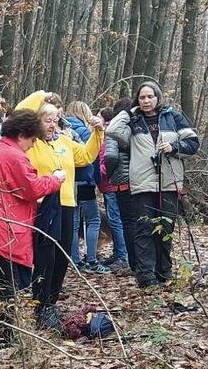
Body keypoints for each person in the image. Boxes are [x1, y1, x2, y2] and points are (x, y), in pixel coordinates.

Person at [0, 109, 63, 348]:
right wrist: (55, 180)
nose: (32, 145)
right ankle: (2, 341)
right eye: (32, 139)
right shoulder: (13, 156)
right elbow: (31, 188)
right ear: (21, 135)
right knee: (3, 288)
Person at [14, 92, 104, 330]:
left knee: (63, 255)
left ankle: (51, 302)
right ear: (37, 121)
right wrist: (43, 95)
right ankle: (41, 303)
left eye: (55, 120)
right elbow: (19, 110)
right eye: (47, 120)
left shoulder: (64, 141)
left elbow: (85, 156)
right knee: (46, 256)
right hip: (43, 204)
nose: (52, 124)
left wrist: (98, 133)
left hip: (67, 204)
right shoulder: (32, 143)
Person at [106, 81, 200, 289]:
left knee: (166, 228)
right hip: (142, 183)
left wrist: (174, 147)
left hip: (169, 182)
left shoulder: (173, 117)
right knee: (144, 229)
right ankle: (146, 275)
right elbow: (112, 130)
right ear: (137, 100)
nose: (146, 101)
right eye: (142, 97)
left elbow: (193, 144)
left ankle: (163, 271)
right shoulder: (133, 120)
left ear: (158, 97)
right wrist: (129, 111)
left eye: (150, 96)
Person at [64, 101, 107, 273]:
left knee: (74, 222)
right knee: (93, 220)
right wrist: (97, 180)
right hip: (85, 182)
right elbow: (92, 158)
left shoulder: (63, 130)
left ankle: (74, 259)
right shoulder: (85, 131)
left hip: (69, 181)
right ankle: (91, 259)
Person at [99, 100, 131, 274]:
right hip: (116, 184)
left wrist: (104, 173)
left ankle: (122, 256)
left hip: (113, 183)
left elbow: (110, 158)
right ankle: (120, 253)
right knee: (120, 219)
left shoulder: (113, 132)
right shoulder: (131, 129)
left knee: (116, 220)